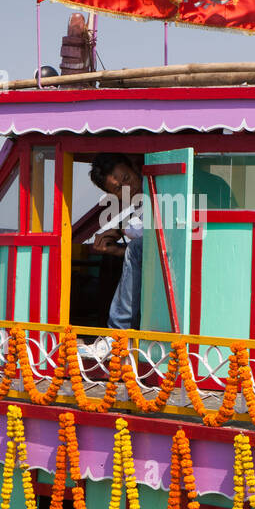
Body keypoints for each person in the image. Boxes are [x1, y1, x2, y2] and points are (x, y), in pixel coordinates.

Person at [79, 153, 144, 362]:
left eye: (126, 178)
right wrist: (115, 246)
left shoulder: (163, 189)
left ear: (135, 168)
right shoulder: (137, 205)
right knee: (110, 260)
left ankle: (117, 336)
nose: (127, 188)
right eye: (118, 189)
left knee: (134, 249)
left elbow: (152, 244)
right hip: (154, 271)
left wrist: (120, 235)